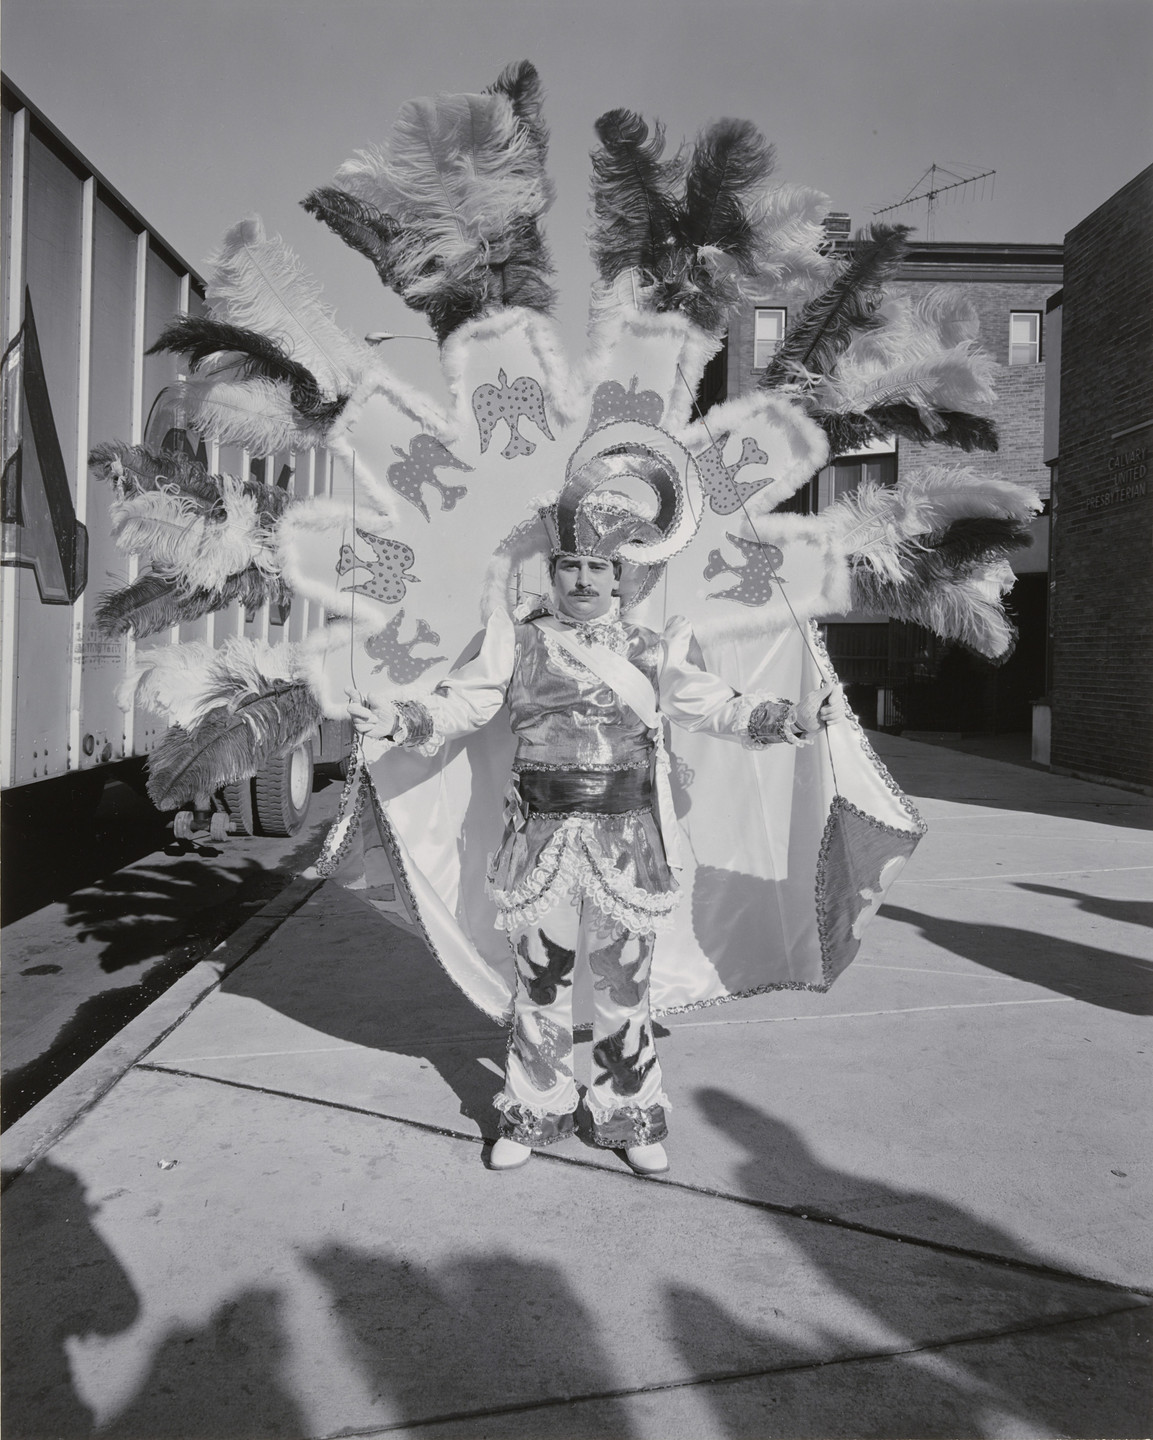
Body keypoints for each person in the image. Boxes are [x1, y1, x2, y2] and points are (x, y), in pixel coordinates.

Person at [348, 504, 845, 1177]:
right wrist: (398, 717)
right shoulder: (514, 641)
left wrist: (792, 717)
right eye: (570, 566)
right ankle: (534, 1110)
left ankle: (627, 1113)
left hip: (627, 841)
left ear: (619, 577)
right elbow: (461, 703)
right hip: (538, 837)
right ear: (552, 573)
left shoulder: (653, 647)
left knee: (624, 987)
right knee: (540, 984)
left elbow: (714, 706)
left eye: (597, 568)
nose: (583, 580)